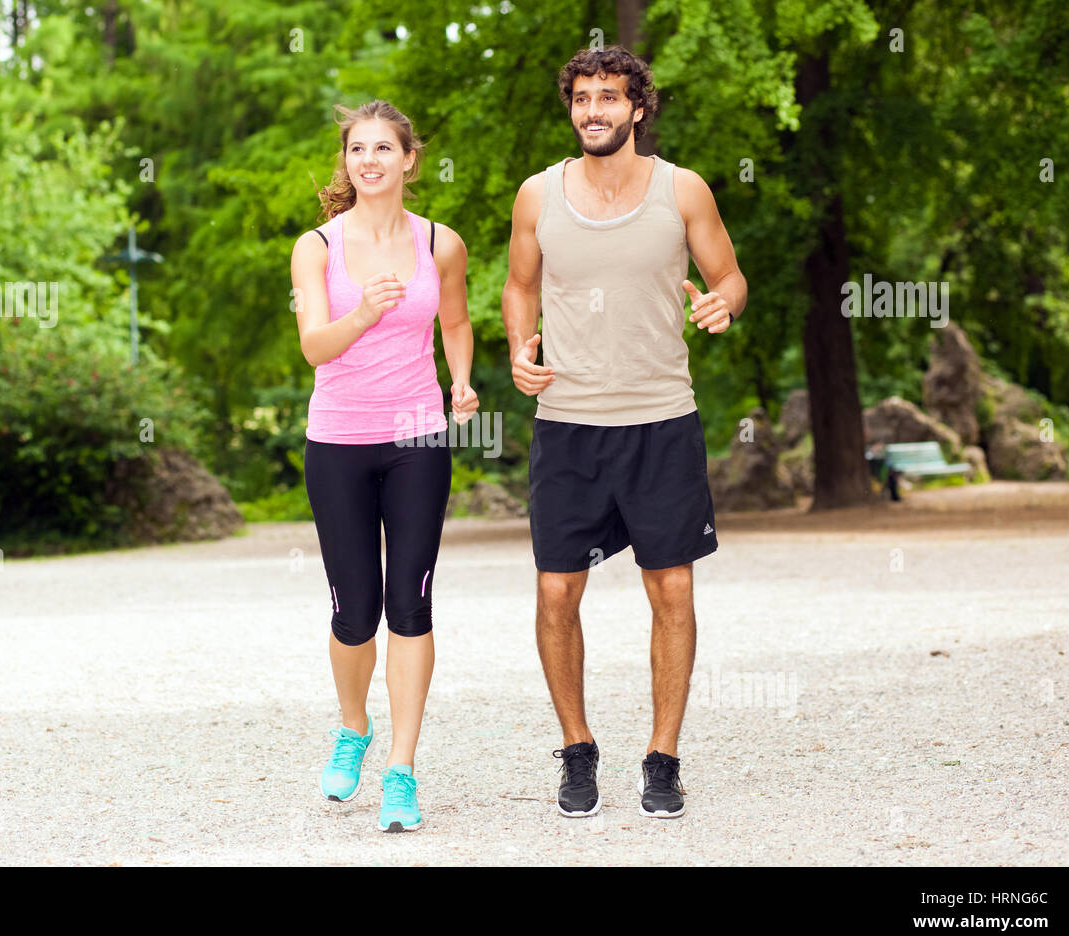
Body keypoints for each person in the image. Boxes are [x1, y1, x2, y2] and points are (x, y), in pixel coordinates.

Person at [503, 46, 746, 819]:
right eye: (582, 98)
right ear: (571, 108)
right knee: (554, 592)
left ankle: (663, 758)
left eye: (609, 96)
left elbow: (730, 276)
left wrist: (723, 304)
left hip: (662, 421)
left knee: (672, 588)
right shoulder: (538, 196)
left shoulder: (684, 190)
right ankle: (578, 751)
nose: (594, 111)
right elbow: (519, 284)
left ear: (638, 107)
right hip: (569, 427)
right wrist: (518, 350)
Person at [290, 100, 478, 832]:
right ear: (348, 163)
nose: (368, 160)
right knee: (354, 612)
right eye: (357, 150)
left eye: (382, 148)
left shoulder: (441, 243)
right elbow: (313, 347)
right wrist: (364, 312)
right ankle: (352, 728)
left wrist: (461, 380)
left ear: (408, 159)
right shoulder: (316, 247)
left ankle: (401, 769)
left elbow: (456, 323)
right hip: (337, 440)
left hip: (418, 440)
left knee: (411, 605)